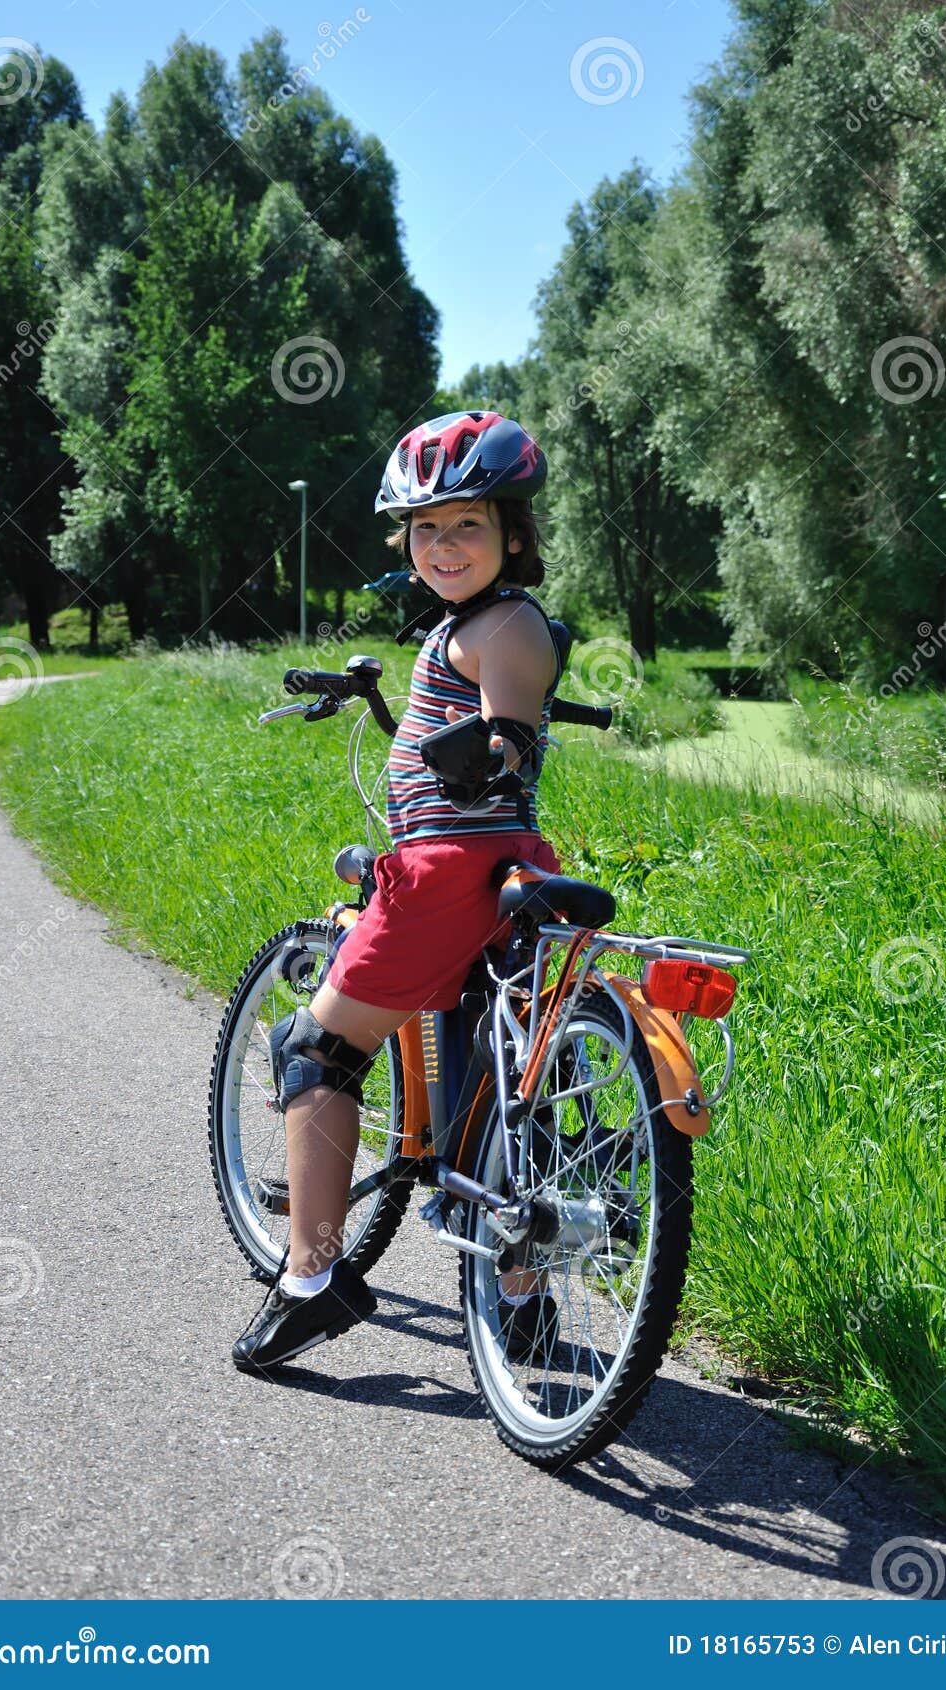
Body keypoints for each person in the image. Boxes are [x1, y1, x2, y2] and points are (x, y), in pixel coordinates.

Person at [232, 411, 565, 1377]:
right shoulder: (469, 624)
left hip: (445, 874)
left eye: (465, 525)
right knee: (495, 1080)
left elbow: (511, 725)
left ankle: (311, 1276)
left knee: (317, 1046)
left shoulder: (505, 623)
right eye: (425, 530)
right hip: (490, 867)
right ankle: (520, 1299)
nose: (443, 546)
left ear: (512, 534)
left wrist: (497, 744)